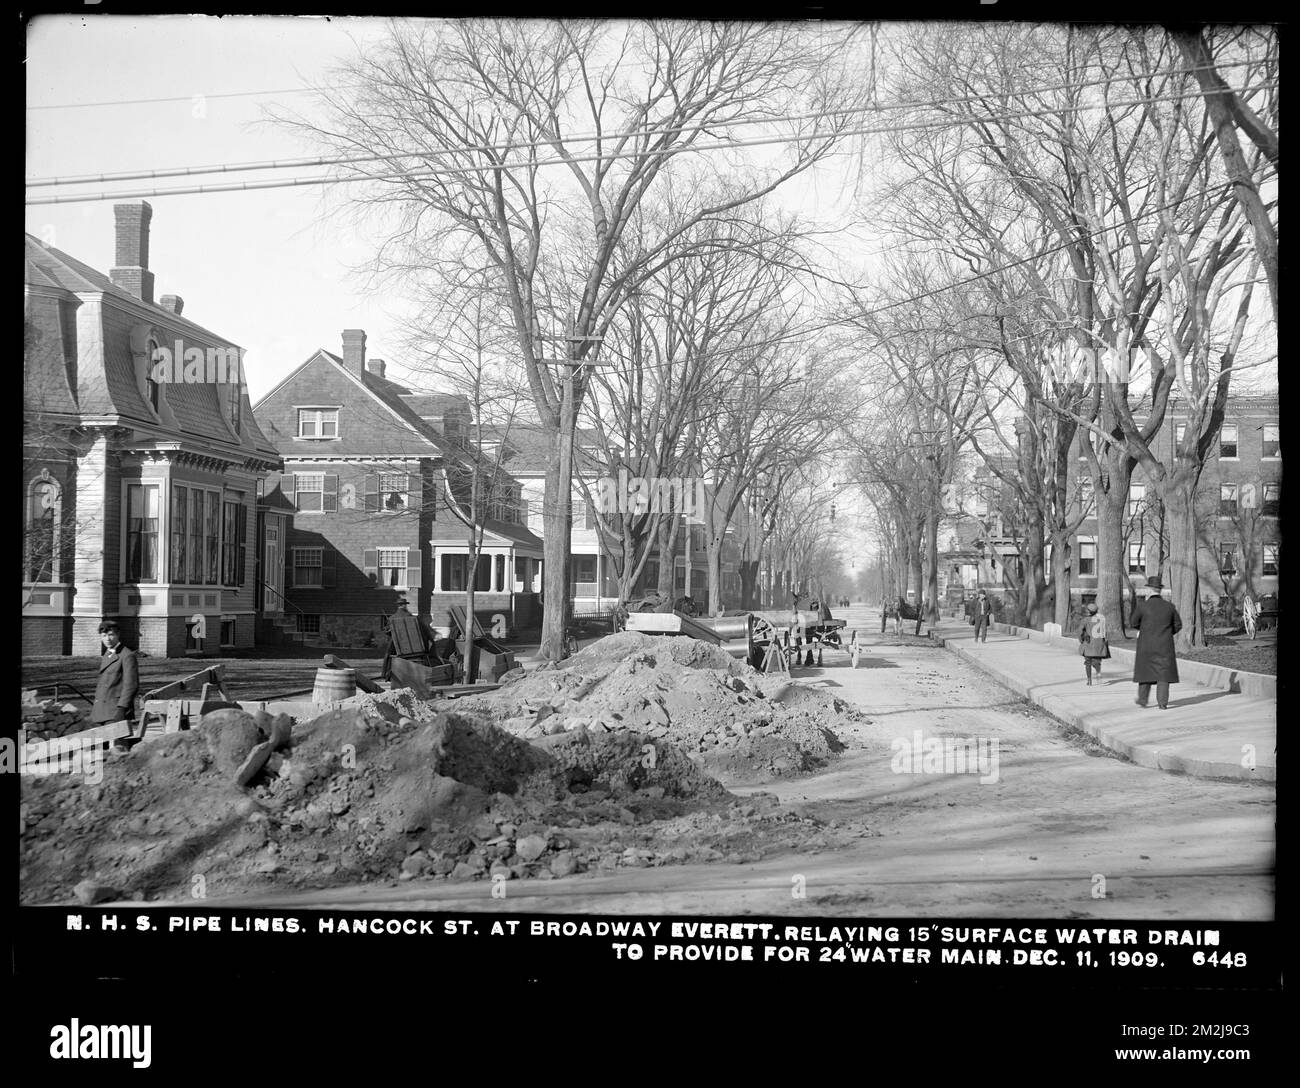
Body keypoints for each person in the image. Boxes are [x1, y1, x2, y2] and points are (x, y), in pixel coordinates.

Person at [1132, 577, 1181, 709]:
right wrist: (1167, 633)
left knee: (1145, 672)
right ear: (1160, 590)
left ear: (1149, 590)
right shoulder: (1169, 607)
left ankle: (1142, 700)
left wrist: (1144, 630)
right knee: (1163, 674)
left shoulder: (1143, 606)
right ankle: (1163, 703)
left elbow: (1133, 622)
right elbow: (1178, 625)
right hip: (1164, 645)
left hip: (1146, 644)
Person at [92, 621, 139, 728]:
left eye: (111, 635)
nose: (107, 639)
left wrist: (122, 708)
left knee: (117, 744)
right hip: (100, 711)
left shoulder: (127, 655)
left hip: (115, 712)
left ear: (118, 635)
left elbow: (131, 685)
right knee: (97, 743)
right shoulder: (107, 654)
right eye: (104, 635)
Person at [1078, 602, 1110, 685]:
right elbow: (1105, 632)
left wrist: (1081, 640)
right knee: (1096, 661)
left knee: (1088, 662)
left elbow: (1080, 632)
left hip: (1089, 644)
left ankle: (1089, 680)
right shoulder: (1101, 619)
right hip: (1099, 644)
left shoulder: (1085, 620)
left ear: (1088, 611)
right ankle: (1098, 673)